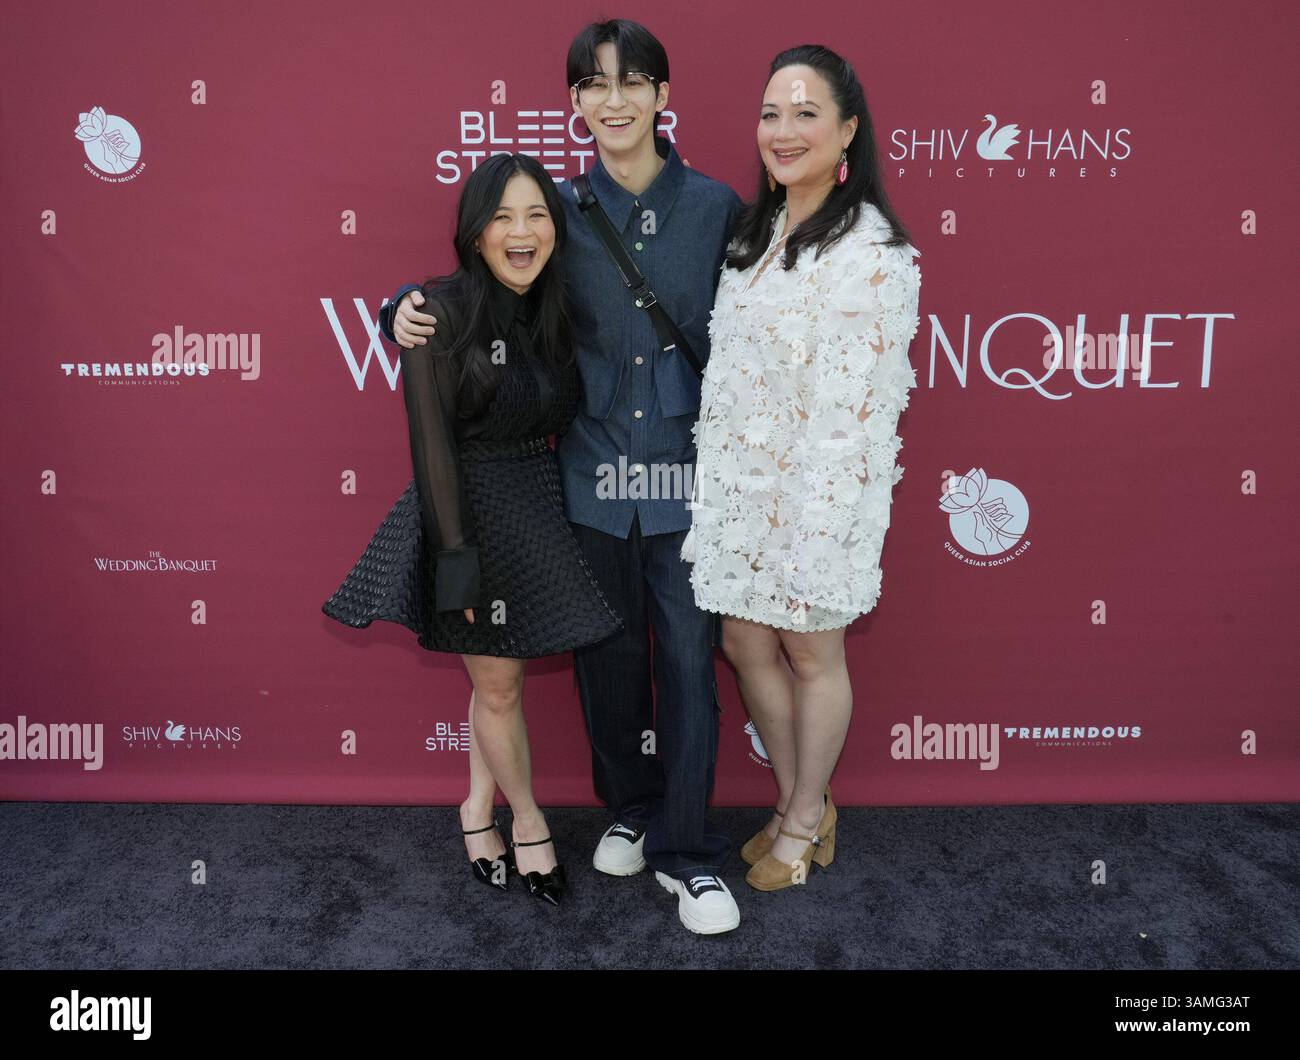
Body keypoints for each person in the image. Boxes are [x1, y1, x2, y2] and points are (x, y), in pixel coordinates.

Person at [383, 20, 744, 934]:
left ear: (665, 96)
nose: (612, 100)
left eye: (632, 82)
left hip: (685, 479)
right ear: (575, 103)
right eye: (593, 84)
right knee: (608, 659)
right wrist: (401, 308)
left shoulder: (717, 207)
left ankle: (690, 852)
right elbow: (481, 283)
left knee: (692, 666)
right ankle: (627, 806)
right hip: (585, 480)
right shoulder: (556, 209)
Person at [322, 152, 625, 906]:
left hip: (537, 506)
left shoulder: (555, 308)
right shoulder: (438, 311)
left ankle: (472, 809)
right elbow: (431, 444)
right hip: (467, 511)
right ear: (474, 231)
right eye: (502, 217)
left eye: (536, 216)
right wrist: (454, 557)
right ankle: (527, 823)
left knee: (501, 679)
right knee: (496, 685)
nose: (521, 234)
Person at [681, 45, 921, 891]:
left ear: (848, 129)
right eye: (771, 114)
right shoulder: (751, 231)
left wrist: (818, 522)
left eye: (805, 113)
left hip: (821, 493)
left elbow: (863, 407)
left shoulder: (875, 250)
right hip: (739, 486)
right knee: (745, 639)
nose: (783, 132)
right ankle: (796, 802)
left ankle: (808, 817)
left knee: (812, 651)